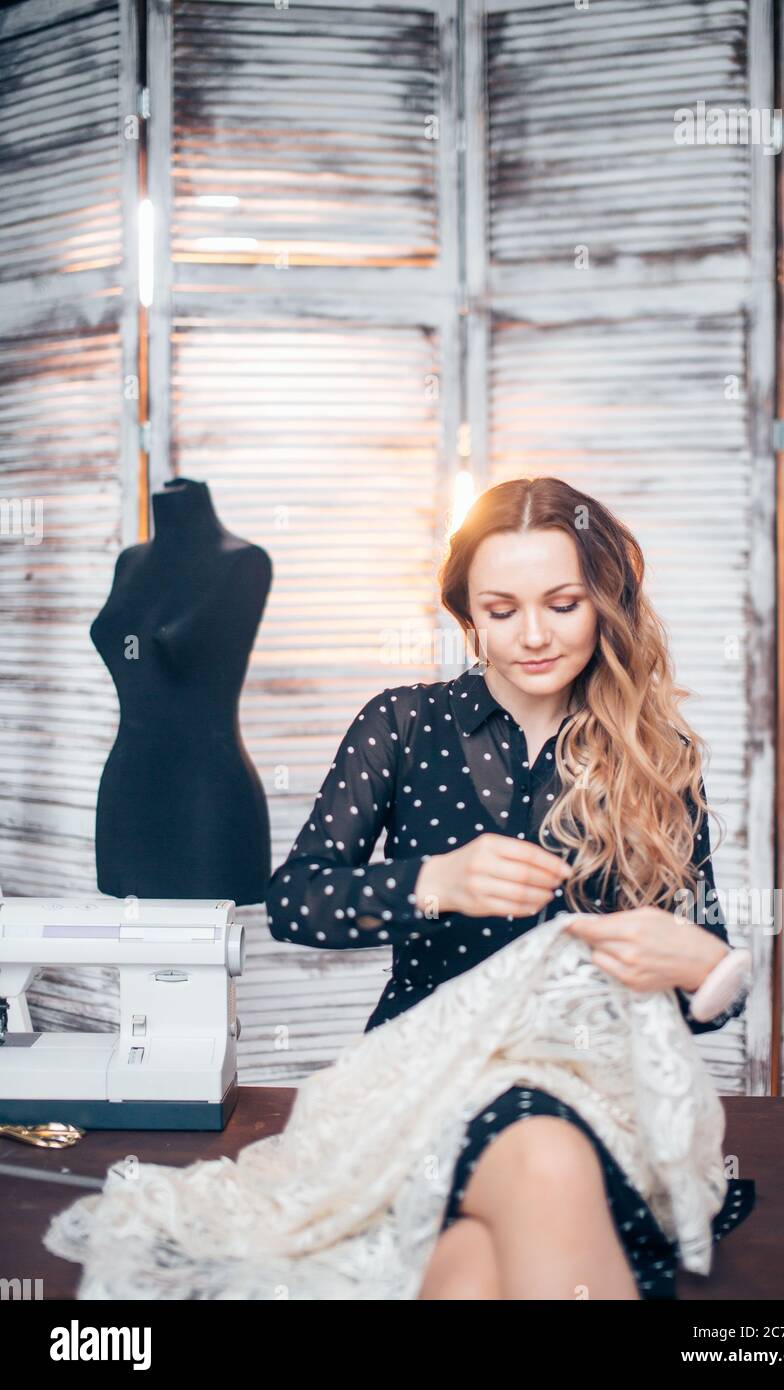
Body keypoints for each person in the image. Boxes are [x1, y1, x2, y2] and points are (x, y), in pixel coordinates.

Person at [265, 476, 756, 1300]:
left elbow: (711, 994)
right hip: (424, 1077)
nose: (533, 634)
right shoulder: (402, 723)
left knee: (471, 1271)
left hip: (596, 1082)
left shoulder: (659, 756)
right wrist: (430, 882)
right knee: (535, 1167)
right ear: (468, 619)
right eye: (501, 610)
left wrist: (701, 962)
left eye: (563, 604)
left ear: (604, 605)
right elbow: (295, 902)